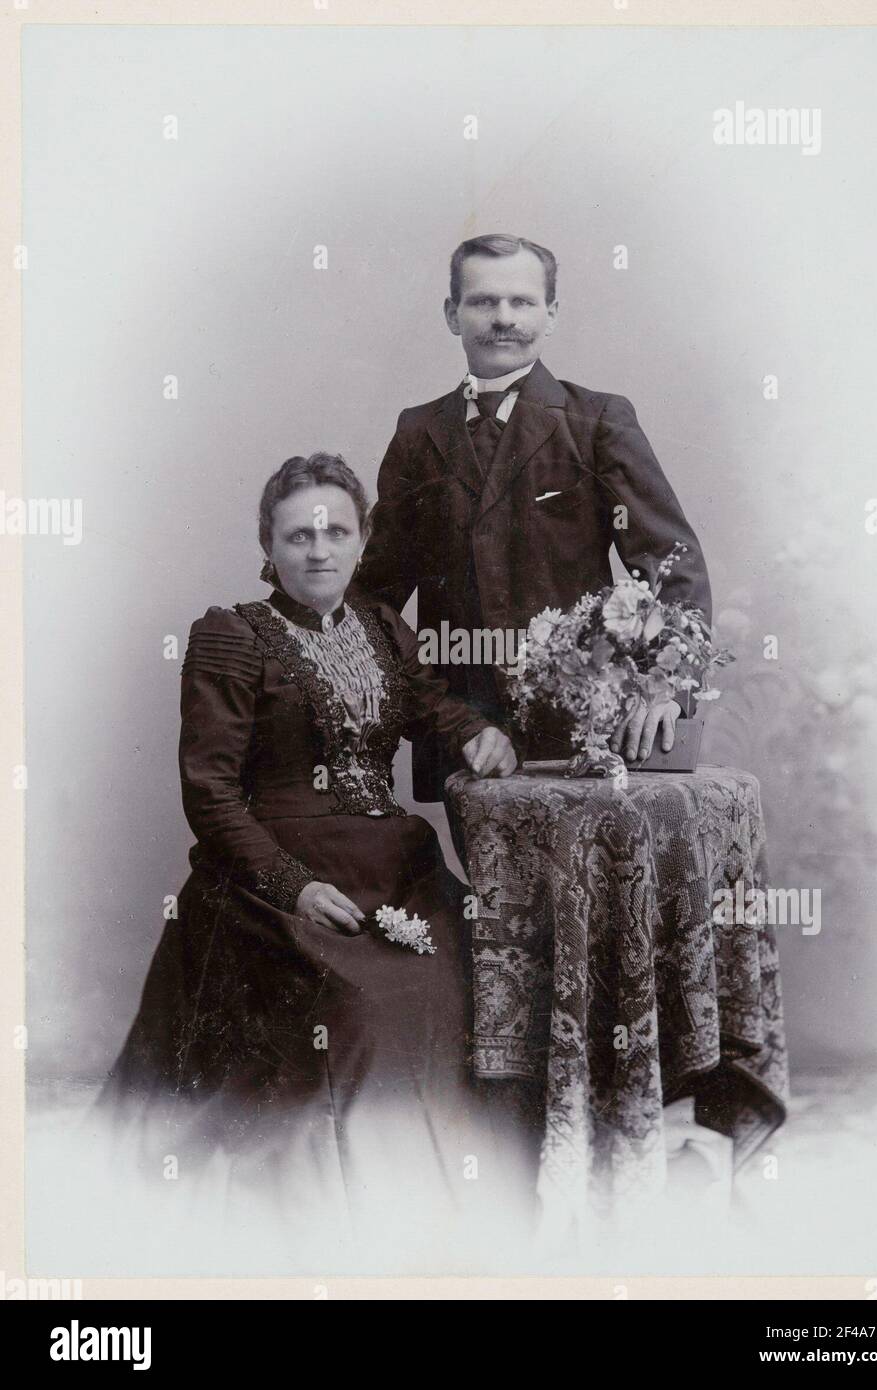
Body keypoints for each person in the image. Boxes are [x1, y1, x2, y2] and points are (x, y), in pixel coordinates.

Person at [97, 452, 522, 1252]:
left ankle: (476, 1201)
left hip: (395, 862)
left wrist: (478, 734)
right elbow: (211, 795)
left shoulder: (381, 625)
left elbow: (428, 705)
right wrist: (293, 887)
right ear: (269, 545)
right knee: (357, 1007)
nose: (318, 550)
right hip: (270, 879)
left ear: (362, 541)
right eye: (298, 536)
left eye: (336, 532)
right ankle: (342, 1228)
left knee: (483, 971)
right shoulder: (231, 638)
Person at [358, 233, 712, 801]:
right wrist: (447, 718)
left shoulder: (596, 421)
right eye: (482, 302)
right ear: (453, 315)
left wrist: (666, 688)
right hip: (472, 741)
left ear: (551, 313)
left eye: (522, 302)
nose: (503, 319)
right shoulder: (418, 434)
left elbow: (675, 568)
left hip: (587, 728)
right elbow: (372, 601)